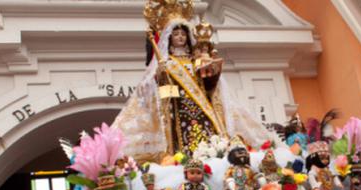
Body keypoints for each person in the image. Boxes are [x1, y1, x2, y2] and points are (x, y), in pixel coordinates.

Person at [111, 6, 268, 159]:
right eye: (176, 34)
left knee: (212, 141)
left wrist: (212, 73)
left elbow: (210, 88)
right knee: (183, 142)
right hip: (179, 110)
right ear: (169, 38)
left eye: (183, 34)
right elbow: (153, 92)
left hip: (204, 110)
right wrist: (160, 75)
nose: (180, 37)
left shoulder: (196, 61)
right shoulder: (166, 62)